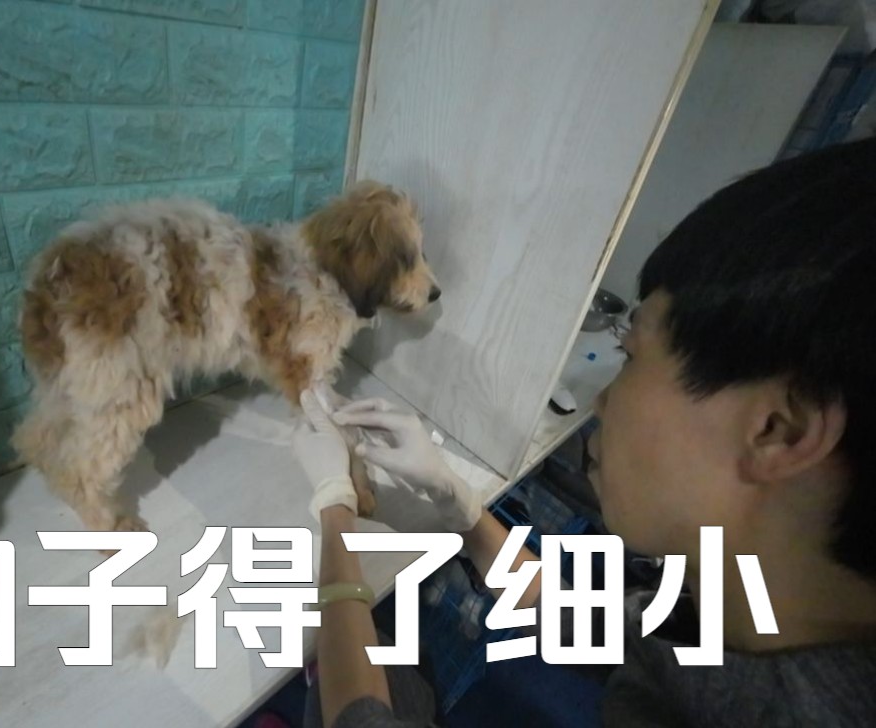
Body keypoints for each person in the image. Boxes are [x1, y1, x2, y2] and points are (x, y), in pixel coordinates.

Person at [290, 136, 876, 727]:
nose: (602, 399)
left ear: (778, 430)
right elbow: (586, 626)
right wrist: (461, 509)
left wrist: (335, 511)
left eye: (632, 354)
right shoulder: (744, 617)